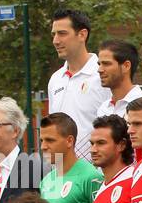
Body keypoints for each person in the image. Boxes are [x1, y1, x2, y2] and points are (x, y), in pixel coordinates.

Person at [47, 9, 110, 159]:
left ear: (82, 34)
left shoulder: (103, 75)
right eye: (54, 34)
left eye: (62, 33)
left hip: (97, 175)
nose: (55, 40)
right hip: (61, 174)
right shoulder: (55, 79)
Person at [94, 39, 142, 119]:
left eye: (106, 64)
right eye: (99, 64)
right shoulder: (103, 109)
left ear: (126, 66)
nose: (99, 70)